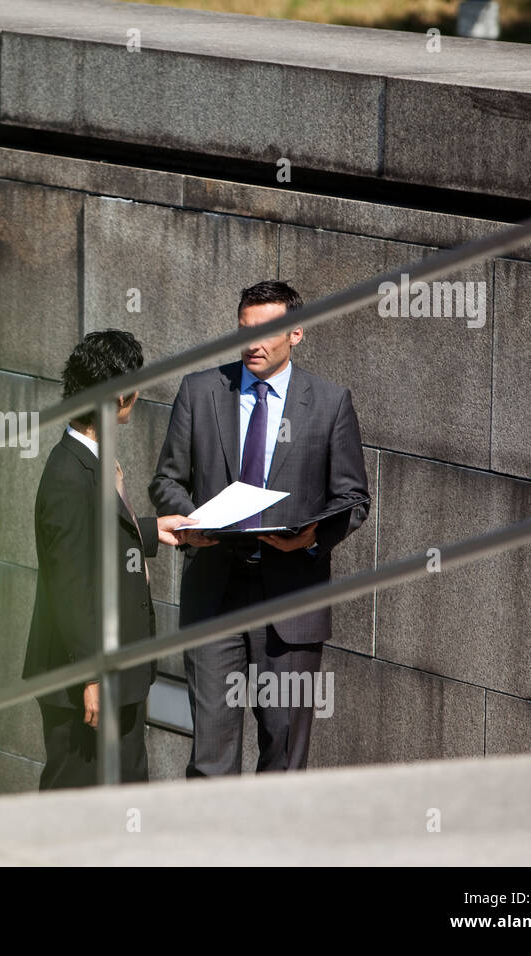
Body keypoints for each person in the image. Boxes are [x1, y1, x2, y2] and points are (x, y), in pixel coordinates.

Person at [150, 281, 370, 775]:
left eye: (266, 331)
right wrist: (191, 520)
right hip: (215, 594)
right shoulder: (201, 391)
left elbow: (354, 499)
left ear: (295, 333)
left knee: (284, 751)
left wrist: (313, 536)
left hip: (290, 600)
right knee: (210, 758)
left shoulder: (331, 404)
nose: (253, 343)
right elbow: (166, 480)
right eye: (245, 330)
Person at [23, 330, 191, 789]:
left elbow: (98, 541)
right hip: (89, 683)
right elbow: (70, 585)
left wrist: (153, 530)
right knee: (76, 804)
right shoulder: (68, 476)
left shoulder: (90, 461)